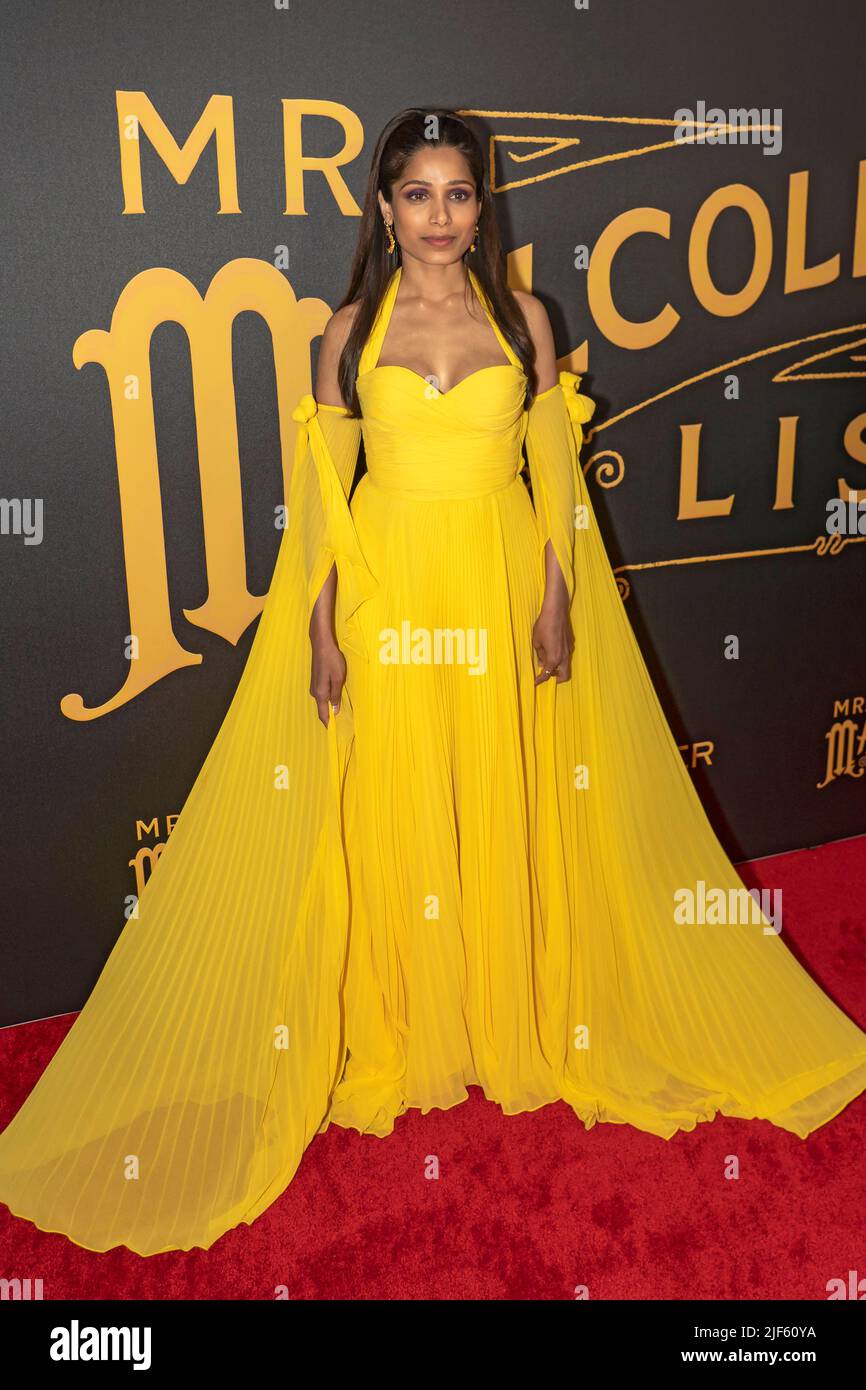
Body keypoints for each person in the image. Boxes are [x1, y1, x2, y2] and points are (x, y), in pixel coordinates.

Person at [1, 108, 865, 1258]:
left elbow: (556, 472)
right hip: (389, 589)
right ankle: (410, 1015)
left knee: (503, 789)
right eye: (419, 194)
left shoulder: (528, 322)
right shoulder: (346, 332)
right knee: (399, 802)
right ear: (382, 207)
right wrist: (318, 627)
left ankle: (509, 1006)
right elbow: (321, 497)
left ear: (481, 206)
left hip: (501, 580)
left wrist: (556, 595)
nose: (441, 217)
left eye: (460, 195)